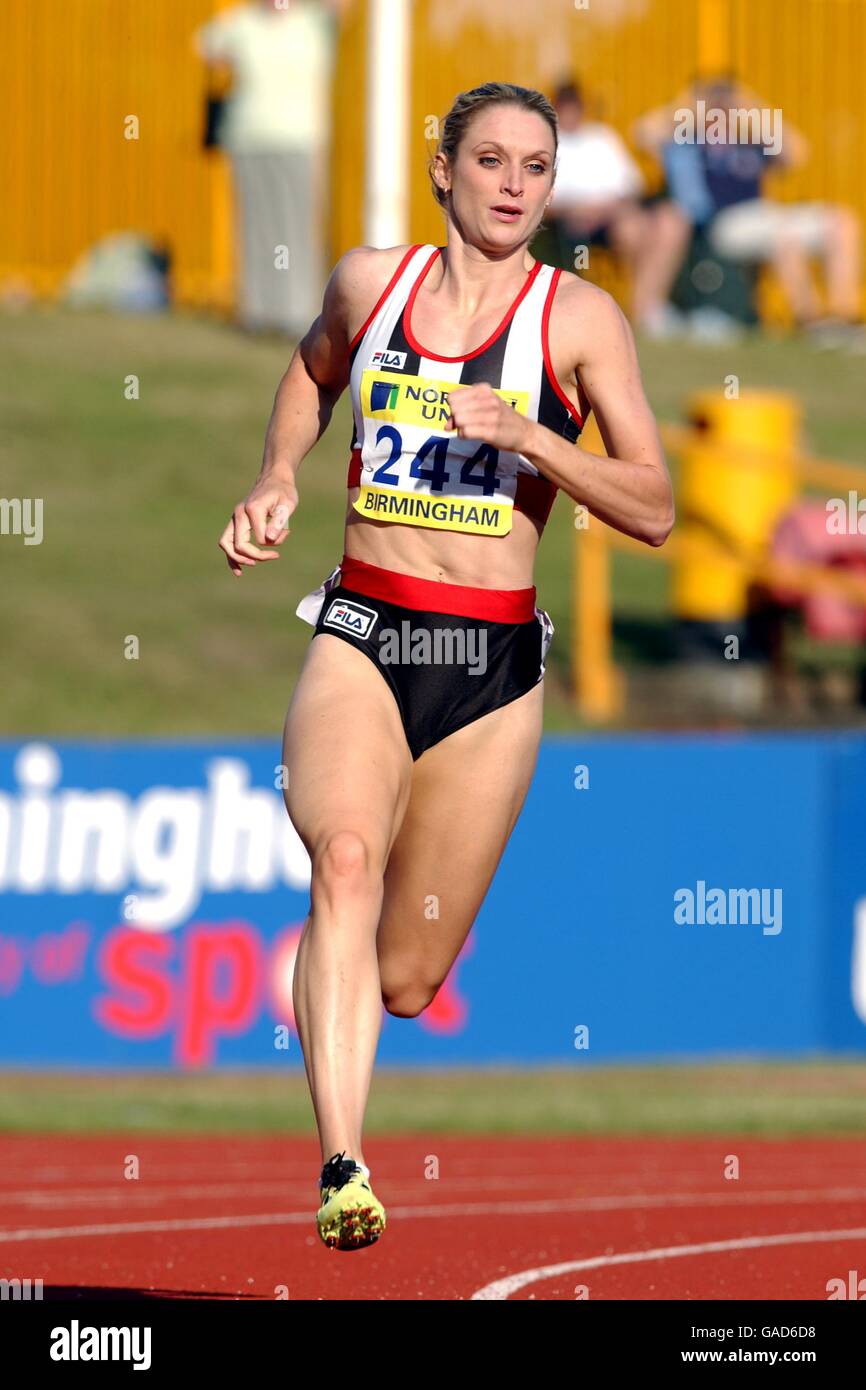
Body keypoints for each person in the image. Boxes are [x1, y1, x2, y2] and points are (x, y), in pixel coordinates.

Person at [218, 81, 674, 1250]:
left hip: (492, 665)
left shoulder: (577, 322)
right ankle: (343, 1167)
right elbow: (314, 370)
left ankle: (331, 975)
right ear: (444, 168)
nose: (514, 185)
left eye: (535, 165)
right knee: (350, 856)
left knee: (407, 978)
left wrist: (530, 437)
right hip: (367, 630)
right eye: (491, 161)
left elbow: (655, 506)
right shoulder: (373, 284)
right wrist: (276, 478)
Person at [634, 75, 865, 346]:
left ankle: (844, 318)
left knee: (842, 223)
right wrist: (691, 105)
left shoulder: (750, 139)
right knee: (783, 236)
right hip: (726, 224)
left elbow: (798, 152)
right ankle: (812, 322)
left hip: (766, 215)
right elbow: (643, 133)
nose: (721, 108)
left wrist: (749, 104)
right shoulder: (690, 142)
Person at [194, 0, 343, 337]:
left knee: (297, 226)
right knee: (257, 224)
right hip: (250, 137)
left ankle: (299, 311)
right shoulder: (242, 23)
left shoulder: (314, 21)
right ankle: (258, 309)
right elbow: (206, 45)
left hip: (299, 138)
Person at [547, 82, 690, 334]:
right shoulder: (548, 141)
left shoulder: (602, 137)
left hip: (614, 214)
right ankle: (646, 309)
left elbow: (631, 187)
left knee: (672, 222)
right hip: (573, 223)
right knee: (630, 231)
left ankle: (647, 307)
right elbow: (544, 197)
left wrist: (607, 208)